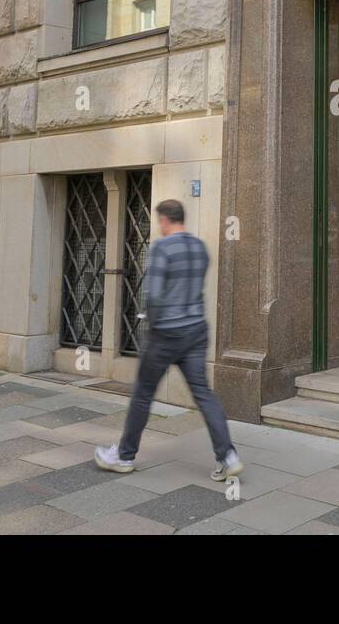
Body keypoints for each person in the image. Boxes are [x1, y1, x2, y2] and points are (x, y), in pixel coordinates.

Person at [95, 199, 243, 481]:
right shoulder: (200, 248)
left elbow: (154, 294)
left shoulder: (162, 248)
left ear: (164, 220)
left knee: (142, 395)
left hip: (166, 334)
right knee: (204, 395)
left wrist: (150, 322)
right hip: (196, 330)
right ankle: (228, 455)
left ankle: (124, 456)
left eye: (158, 221)